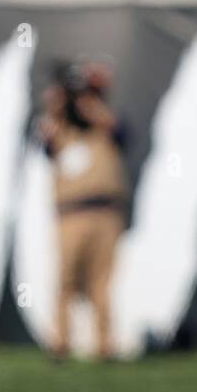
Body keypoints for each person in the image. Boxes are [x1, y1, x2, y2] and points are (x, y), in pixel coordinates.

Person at [37, 62, 127, 360]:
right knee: (66, 280)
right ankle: (60, 342)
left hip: (106, 212)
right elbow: (46, 143)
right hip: (71, 213)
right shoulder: (58, 126)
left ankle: (105, 345)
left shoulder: (103, 124)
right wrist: (58, 104)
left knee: (102, 283)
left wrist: (91, 103)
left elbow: (122, 132)